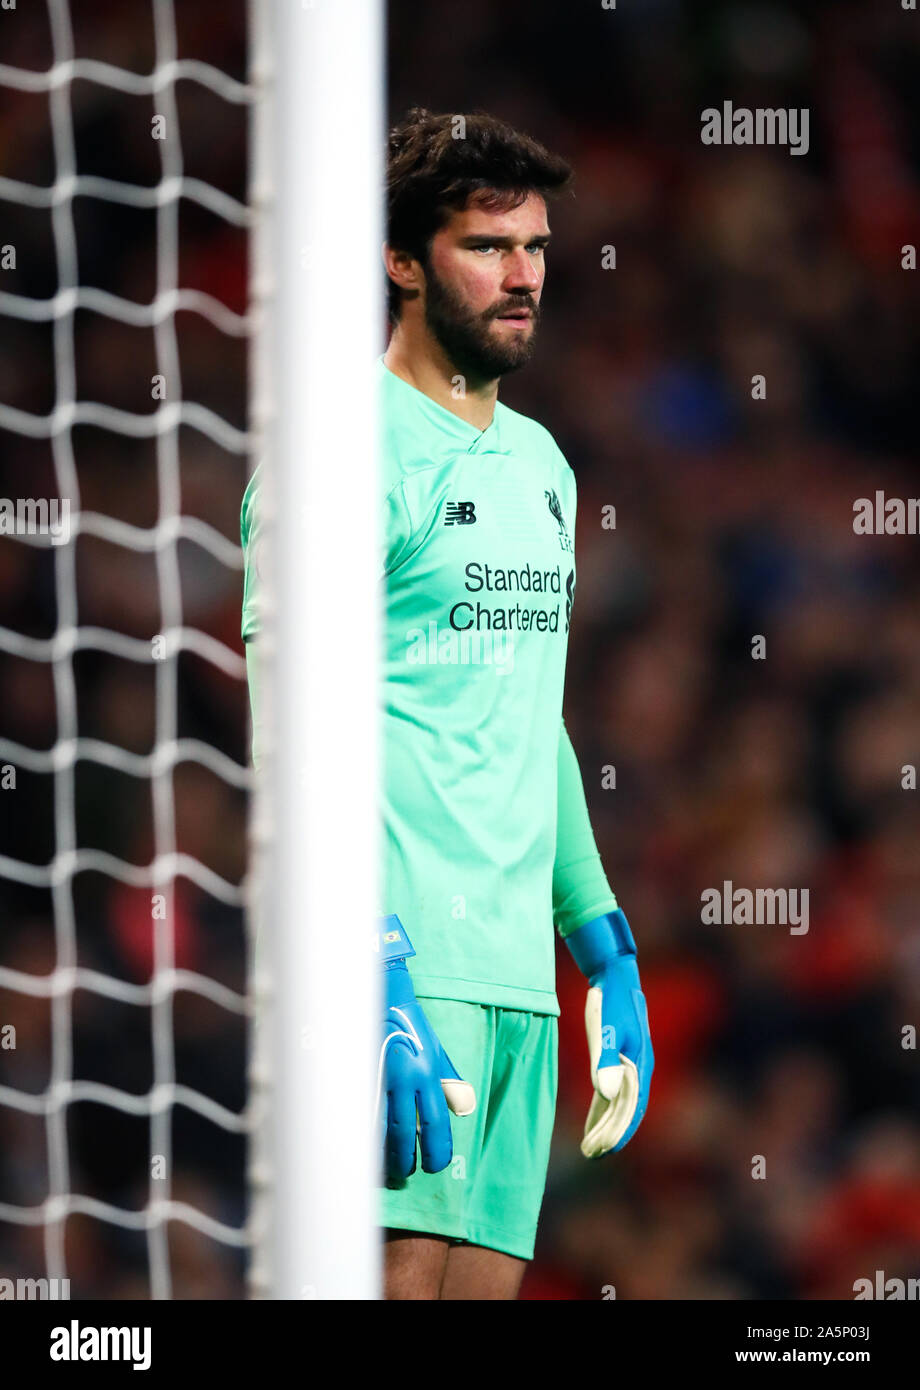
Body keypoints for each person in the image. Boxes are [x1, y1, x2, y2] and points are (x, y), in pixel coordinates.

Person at [240, 108, 653, 1301]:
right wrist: (363, 969)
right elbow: (289, 740)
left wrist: (602, 947)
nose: (522, 275)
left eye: (535, 248)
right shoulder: (339, 454)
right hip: (392, 969)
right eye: (487, 246)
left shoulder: (542, 468)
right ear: (403, 261)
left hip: (516, 979)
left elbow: (538, 718)